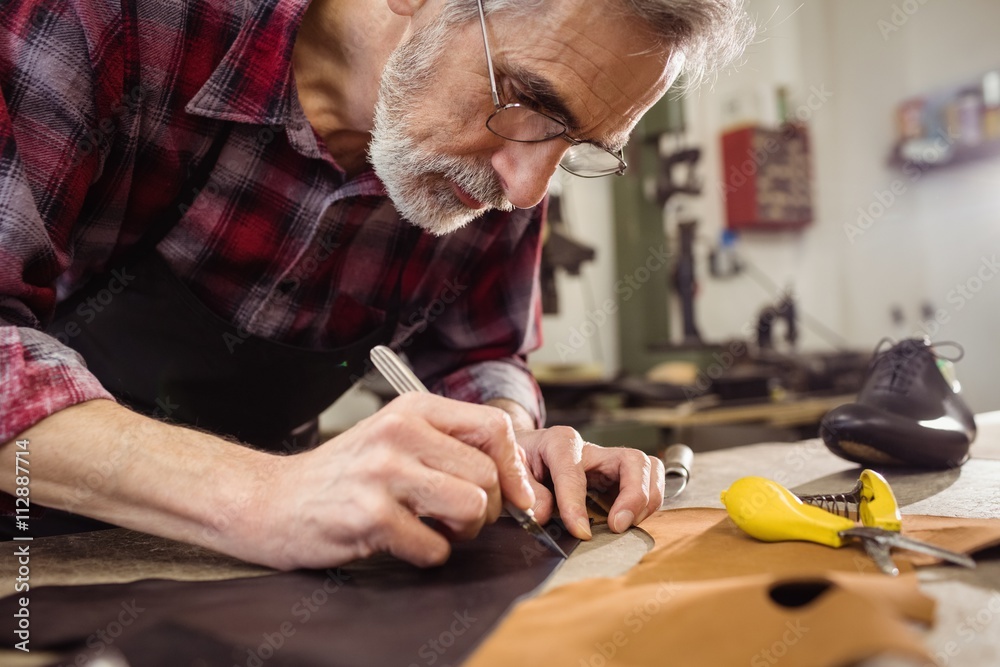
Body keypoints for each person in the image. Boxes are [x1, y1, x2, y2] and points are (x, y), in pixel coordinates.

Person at [0, 0, 752, 569]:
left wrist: (512, 444)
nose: (527, 192)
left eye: (580, 145)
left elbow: (478, 354)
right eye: (530, 99)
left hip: (248, 578)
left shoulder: (503, 165)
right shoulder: (116, 20)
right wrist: (262, 496)